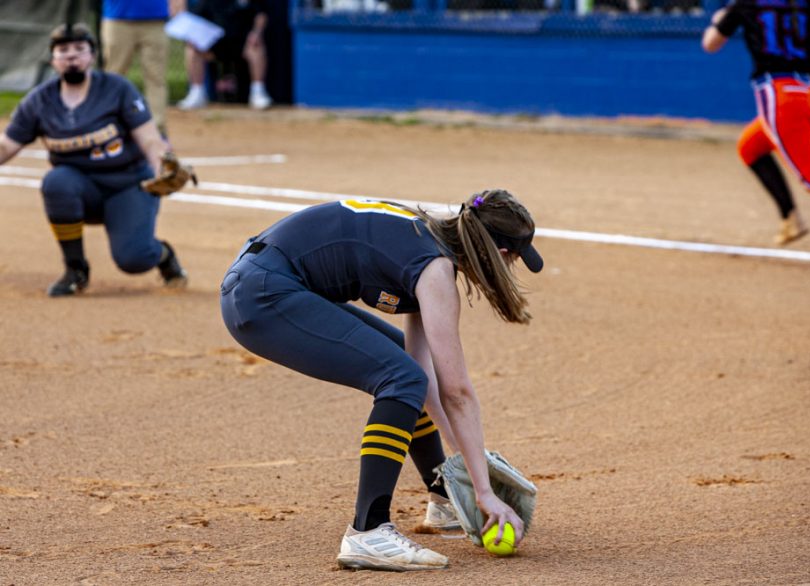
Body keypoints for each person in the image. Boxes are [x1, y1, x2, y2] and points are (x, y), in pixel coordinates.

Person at [220, 190, 543, 571]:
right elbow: (457, 393)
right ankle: (368, 530)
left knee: (406, 370)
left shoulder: (428, 241)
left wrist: (470, 476)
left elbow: (426, 376)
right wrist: (485, 490)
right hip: (262, 295)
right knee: (399, 377)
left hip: (262, 283)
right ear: (500, 254)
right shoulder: (436, 270)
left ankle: (444, 498)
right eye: (515, 259)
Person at [0, 23, 188, 297]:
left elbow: (149, 138)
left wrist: (161, 165)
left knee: (134, 259)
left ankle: (164, 255)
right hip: (80, 189)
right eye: (63, 50)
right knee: (56, 181)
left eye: (79, 49)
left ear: (92, 56)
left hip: (128, 185)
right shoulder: (40, 101)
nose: (71, 55)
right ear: (53, 60)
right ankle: (75, 270)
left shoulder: (117, 89)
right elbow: (7, 145)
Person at [702, 0, 810, 274]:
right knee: (751, 147)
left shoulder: (746, 3)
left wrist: (719, 18)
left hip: (780, 97)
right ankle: (790, 217)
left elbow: (711, 44)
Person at [177, 0, 272, 110]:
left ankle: (258, 92)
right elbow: (196, 16)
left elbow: (261, 13)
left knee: (256, 46)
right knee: (192, 48)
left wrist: (257, 32)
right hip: (215, 45)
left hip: (242, 43)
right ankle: (196, 92)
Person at [101, 0, 173, 135]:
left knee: (156, 78)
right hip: (118, 18)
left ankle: (157, 130)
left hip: (155, 19)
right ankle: (109, 125)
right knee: (114, 77)